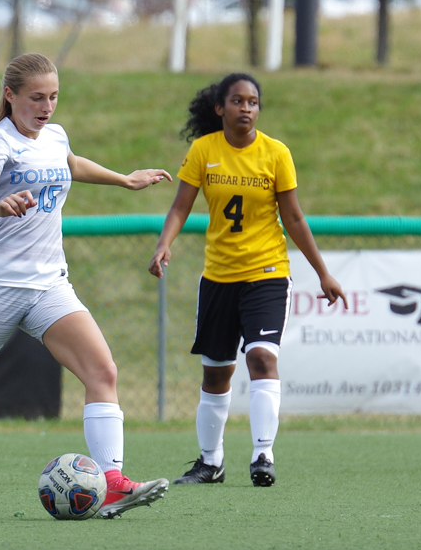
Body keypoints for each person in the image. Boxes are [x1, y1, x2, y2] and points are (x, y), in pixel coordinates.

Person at [0, 53, 174, 519]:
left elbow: (70, 163)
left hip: (49, 286)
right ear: (11, 96)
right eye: (36, 98)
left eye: (53, 97)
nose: (47, 107)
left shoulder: (55, 135)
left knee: (102, 372)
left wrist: (124, 180)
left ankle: (112, 485)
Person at [148, 73, 346, 487]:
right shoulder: (204, 150)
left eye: (253, 102)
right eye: (237, 101)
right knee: (216, 373)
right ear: (220, 108)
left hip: (267, 274)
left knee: (261, 357)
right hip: (218, 277)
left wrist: (323, 272)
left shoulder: (276, 154)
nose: (246, 108)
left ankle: (262, 456)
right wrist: (165, 243)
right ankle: (210, 462)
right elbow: (180, 207)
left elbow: (293, 217)